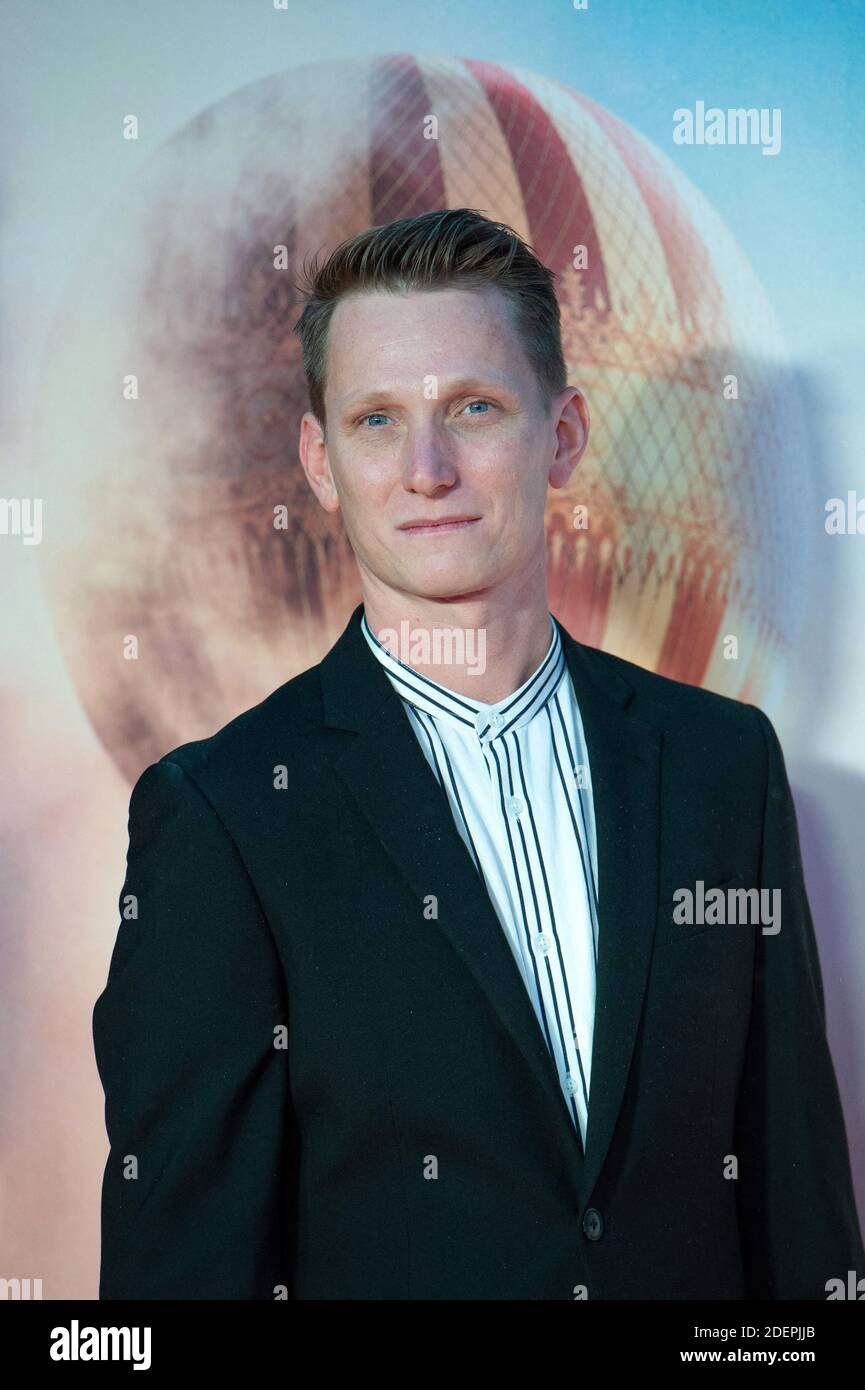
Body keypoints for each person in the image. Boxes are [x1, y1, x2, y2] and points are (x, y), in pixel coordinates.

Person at [93, 207, 864, 1300]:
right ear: (320, 461)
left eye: (473, 407)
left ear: (562, 434)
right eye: (375, 419)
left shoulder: (721, 767)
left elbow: (798, 1211)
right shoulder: (222, 815)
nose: (426, 467)